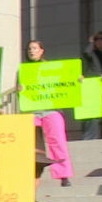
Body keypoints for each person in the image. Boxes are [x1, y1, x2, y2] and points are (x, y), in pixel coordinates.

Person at [25, 40, 73, 187]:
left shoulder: (52, 68)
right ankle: (32, 173)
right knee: (32, 144)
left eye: (34, 48)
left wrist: (78, 80)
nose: (31, 51)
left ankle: (63, 175)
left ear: (41, 51)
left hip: (51, 110)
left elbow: (65, 82)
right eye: (29, 49)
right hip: (32, 111)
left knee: (57, 141)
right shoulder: (24, 70)